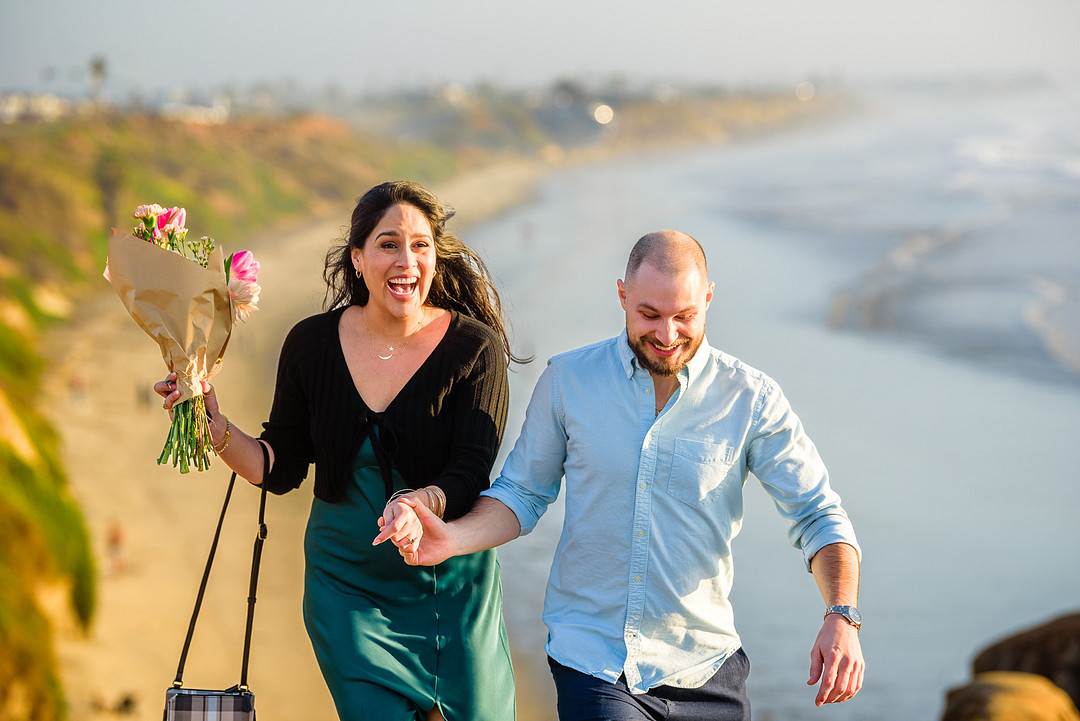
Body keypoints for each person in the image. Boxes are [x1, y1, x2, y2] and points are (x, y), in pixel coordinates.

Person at [387, 230, 864, 720]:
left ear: (708, 298)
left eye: (684, 316)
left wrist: (842, 615)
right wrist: (452, 538)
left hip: (707, 666)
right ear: (622, 295)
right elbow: (522, 494)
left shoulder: (752, 399)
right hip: (594, 664)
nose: (667, 335)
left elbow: (817, 514)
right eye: (649, 315)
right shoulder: (568, 381)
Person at [157, 181, 522, 721]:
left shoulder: (474, 349)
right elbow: (278, 465)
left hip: (452, 585)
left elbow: (469, 472)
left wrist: (419, 503)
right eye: (388, 244)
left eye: (420, 245)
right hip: (349, 590)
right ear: (357, 258)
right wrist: (215, 427)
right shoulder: (311, 345)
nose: (406, 261)